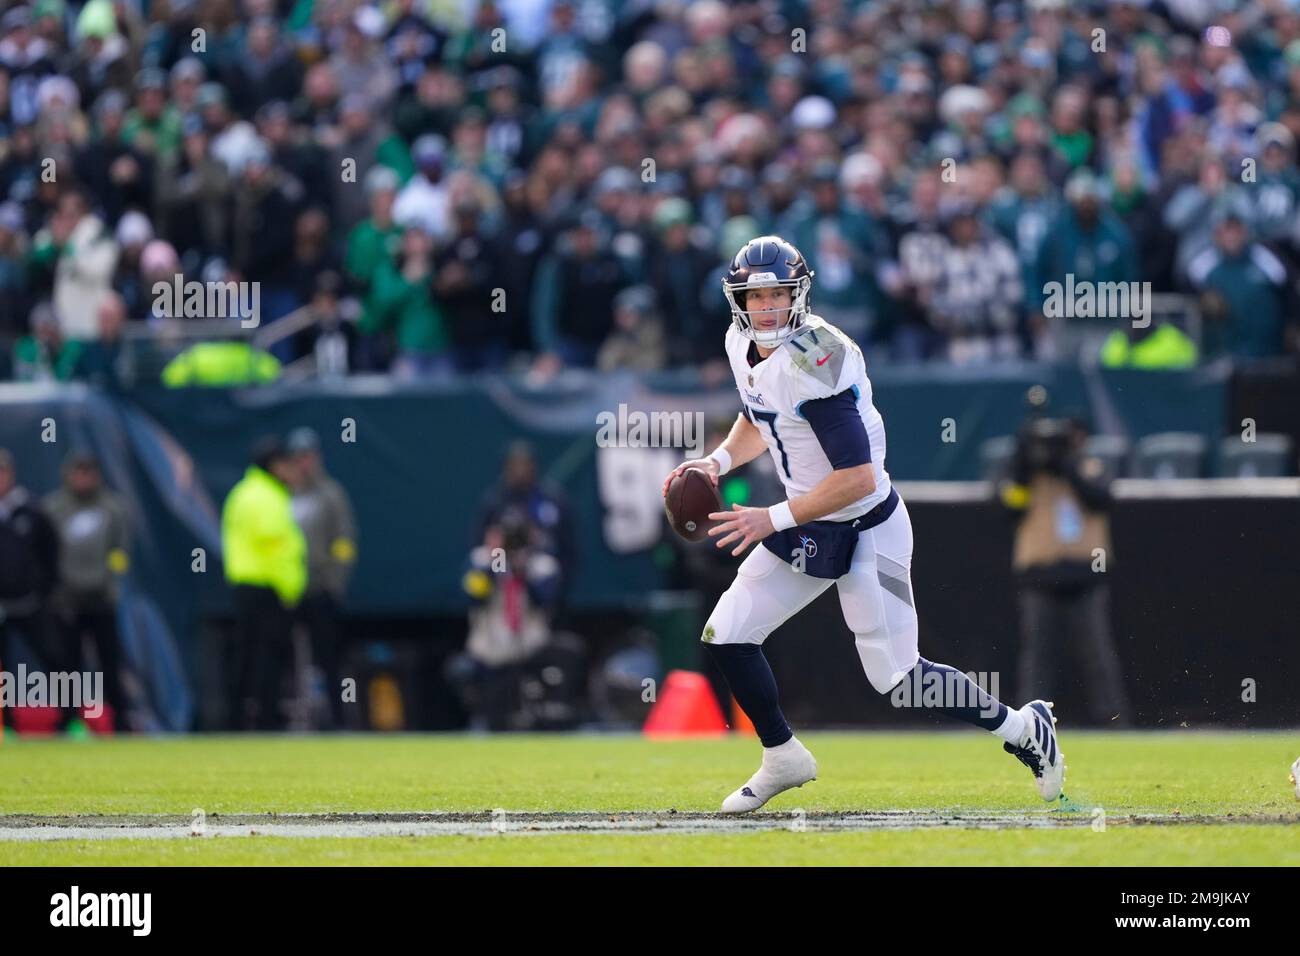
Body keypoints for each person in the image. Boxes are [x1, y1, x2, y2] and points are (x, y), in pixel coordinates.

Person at [662, 236, 1065, 814]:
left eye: (780, 295)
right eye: (758, 297)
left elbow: (856, 477)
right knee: (726, 634)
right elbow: (759, 417)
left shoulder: (815, 360)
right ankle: (782, 755)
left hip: (865, 523)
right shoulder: (740, 342)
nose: (769, 308)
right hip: (808, 523)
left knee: (898, 678)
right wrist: (715, 461)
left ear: (798, 296)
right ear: (739, 301)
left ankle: (1024, 729)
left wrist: (768, 517)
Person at [998, 399, 1131, 726]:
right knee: (1038, 656)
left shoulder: (1090, 466)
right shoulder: (1027, 477)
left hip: (1085, 574)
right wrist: (1024, 462)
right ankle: (1029, 724)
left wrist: (1067, 465)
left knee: (1097, 654)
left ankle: (1113, 720)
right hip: (1040, 576)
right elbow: (1008, 507)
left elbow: (1099, 498)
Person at [220, 437, 307, 730]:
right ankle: (268, 720)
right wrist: (290, 587)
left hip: (246, 584)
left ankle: (237, 720)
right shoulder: (266, 496)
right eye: (285, 463)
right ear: (273, 465)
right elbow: (276, 546)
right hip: (267, 587)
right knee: (269, 658)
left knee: (247, 656)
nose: (290, 469)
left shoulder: (243, 492)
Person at [42, 450, 132, 731]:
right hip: (67, 600)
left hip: (101, 598)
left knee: (110, 661)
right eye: (78, 472)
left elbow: (121, 551)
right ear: (69, 475)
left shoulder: (112, 508)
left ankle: (121, 720)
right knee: (68, 664)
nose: (83, 478)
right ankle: (68, 719)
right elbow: (44, 553)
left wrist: (110, 579)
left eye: (88, 472)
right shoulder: (53, 508)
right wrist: (57, 589)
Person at [287, 428, 357, 730]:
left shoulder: (331, 494)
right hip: (289, 589)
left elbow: (344, 542)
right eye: (299, 457)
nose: (305, 463)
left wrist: (335, 579)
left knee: (327, 658)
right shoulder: (283, 495)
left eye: (309, 456)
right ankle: (296, 718)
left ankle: (337, 720)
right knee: (291, 659)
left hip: (321, 589)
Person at [0, 449, 63, 731]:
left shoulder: (33, 510)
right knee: (4, 672)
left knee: (55, 658)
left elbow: (52, 554)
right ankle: (7, 725)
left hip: (32, 603)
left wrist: (44, 593)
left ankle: (69, 721)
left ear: (11, 474)